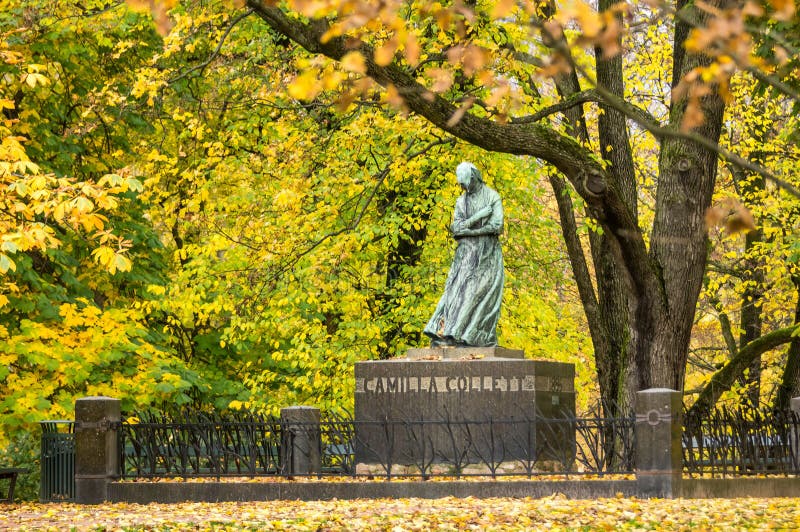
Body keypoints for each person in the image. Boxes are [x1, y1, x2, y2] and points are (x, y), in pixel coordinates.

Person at [423, 162, 504, 347]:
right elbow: (456, 228)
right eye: (461, 185)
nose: (464, 188)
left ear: (474, 177)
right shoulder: (461, 201)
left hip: (487, 255)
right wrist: (478, 218)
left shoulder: (492, 196)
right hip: (465, 254)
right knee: (454, 291)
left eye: (466, 183)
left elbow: (497, 226)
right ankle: (445, 332)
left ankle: (466, 335)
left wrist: (469, 231)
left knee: (476, 293)